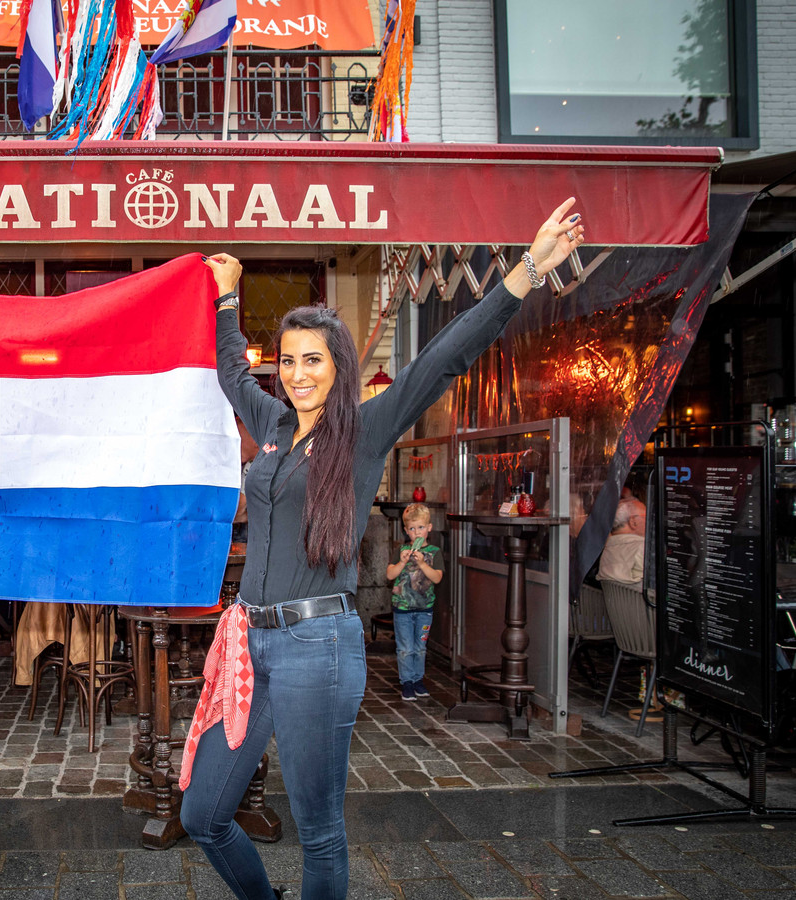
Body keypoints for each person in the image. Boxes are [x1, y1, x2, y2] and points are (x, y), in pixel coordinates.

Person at [183, 198, 585, 900]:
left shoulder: (363, 432)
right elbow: (230, 375)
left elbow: (442, 358)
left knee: (319, 832)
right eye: (288, 360)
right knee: (204, 814)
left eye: (313, 360)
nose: (297, 373)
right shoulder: (272, 423)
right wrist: (225, 297)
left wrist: (524, 272)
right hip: (250, 645)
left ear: (337, 365)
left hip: (319, 648)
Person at [384, 502, 442, 701]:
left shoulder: (434, 552)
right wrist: (402, 561)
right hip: (402, 608)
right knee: (405, 648)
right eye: (412, 528)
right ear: (405, 530)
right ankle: (406, 681)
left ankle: (418, 679)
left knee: (420, 647)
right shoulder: (401, 551)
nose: (416, 532)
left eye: (421, 528)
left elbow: (436, 578)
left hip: (425, 608)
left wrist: (422, 563)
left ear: (429, 528)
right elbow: (390, 575)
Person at [599, 495, 646, 589]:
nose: (650, 521)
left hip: (613, 603)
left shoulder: (606, 550)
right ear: (633, 522)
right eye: (646, 516)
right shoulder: (644, 548)